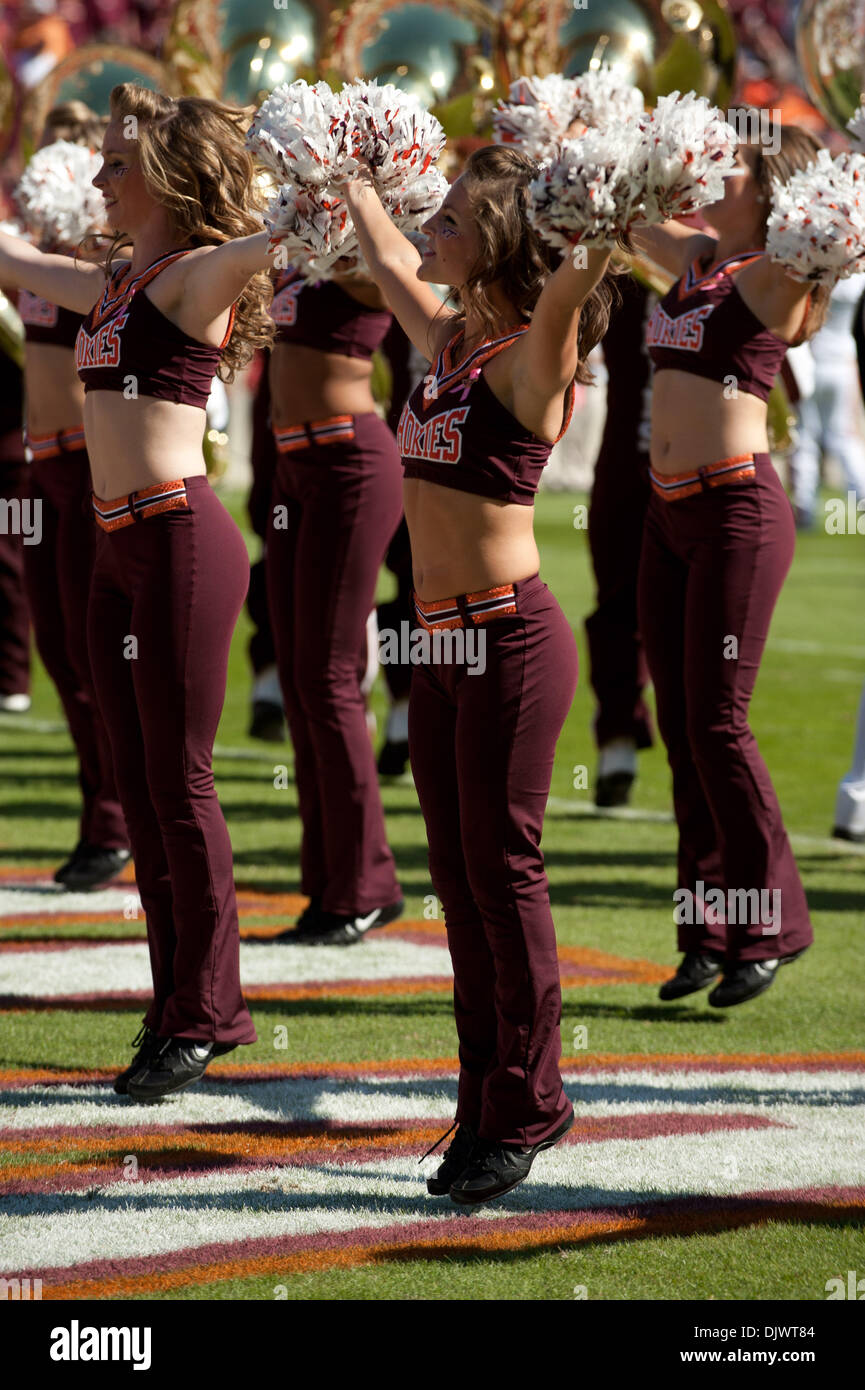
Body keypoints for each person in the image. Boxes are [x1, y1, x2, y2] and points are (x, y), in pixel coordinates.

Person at [341, 145, 616, 1203]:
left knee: (503, 874)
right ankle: (480, 1100)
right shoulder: (447, 342)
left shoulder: (527, 351)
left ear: (497, 241)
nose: (431, 235)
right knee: (457, 885)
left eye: (449, 221)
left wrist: (603, 209)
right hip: (437, 645)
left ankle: (531, 1101)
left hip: (508, 639)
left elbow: (572, 286)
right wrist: (349, 170)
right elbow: (381, 251)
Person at [0, 82, 275, 1099]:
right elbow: (15, 260)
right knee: (142, 774)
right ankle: (171, 1005)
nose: (98, 176)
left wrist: (336, 183)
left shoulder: (196, 272)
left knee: (179, 781)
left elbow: (282, 239)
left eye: (116, 162)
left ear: (163, 174)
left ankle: (205, 1011)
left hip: (180, 543)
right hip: (116, 547)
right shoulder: (117, 279)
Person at [632, 126, 827, 1008]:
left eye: (734, 164)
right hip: (665, 511)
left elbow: (835, 235)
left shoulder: (772, 274)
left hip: (736, 510)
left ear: (777, 194)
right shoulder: (698, 256)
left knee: (718, 722)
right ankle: (705, 931)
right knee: (679, 725)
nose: (715, 171)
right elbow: (615, 221)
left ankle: (771, 925)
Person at [265, 259, 404, 944]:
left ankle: (362, 885)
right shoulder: (295, 246)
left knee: (327, 675)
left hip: (349, 462)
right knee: (300, 676)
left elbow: (404, 280)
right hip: (291, 465)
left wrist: (351, 205)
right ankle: (329, 883)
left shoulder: (357, 251)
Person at [17, 107, 131, 890]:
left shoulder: (99, 259)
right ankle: (101, 810)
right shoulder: (32, 252)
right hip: (39, 469)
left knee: (97, 653)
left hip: (90, 465)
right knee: (57, 651)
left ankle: (117, 820)